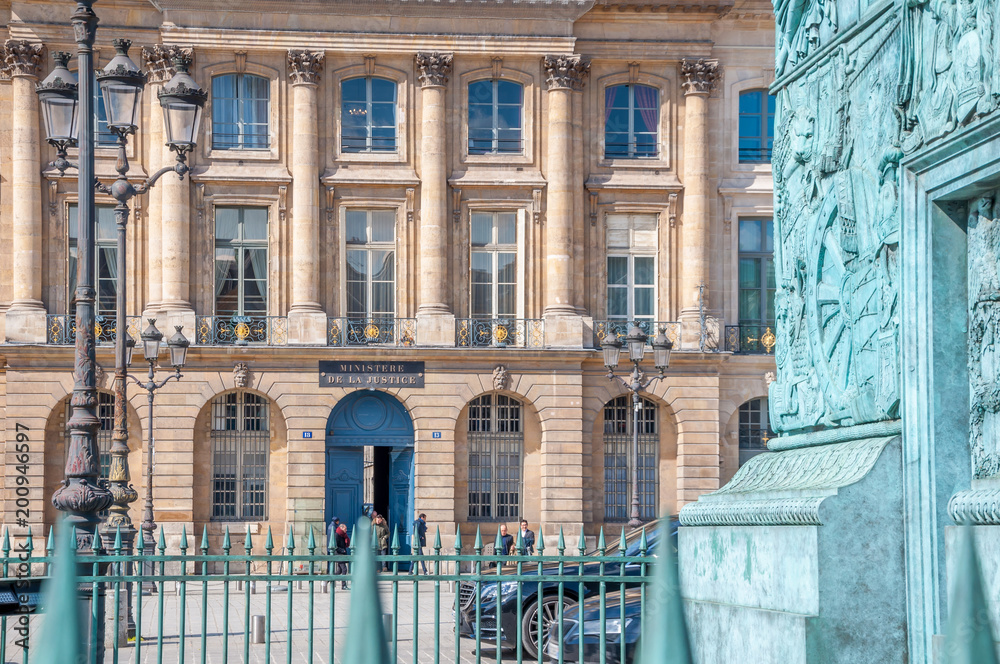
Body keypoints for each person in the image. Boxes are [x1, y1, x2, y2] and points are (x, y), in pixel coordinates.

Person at [335, 523, 351, 589]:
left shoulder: (343, 535)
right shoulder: (337, 535)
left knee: (339, 571)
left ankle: (328, 579)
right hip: (339, 554)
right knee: (344, 569)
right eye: (345, 528)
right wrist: (342, 550)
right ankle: (343, 585)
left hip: (342, 554)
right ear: (341, 528)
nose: (346, 530)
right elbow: (335, 546)